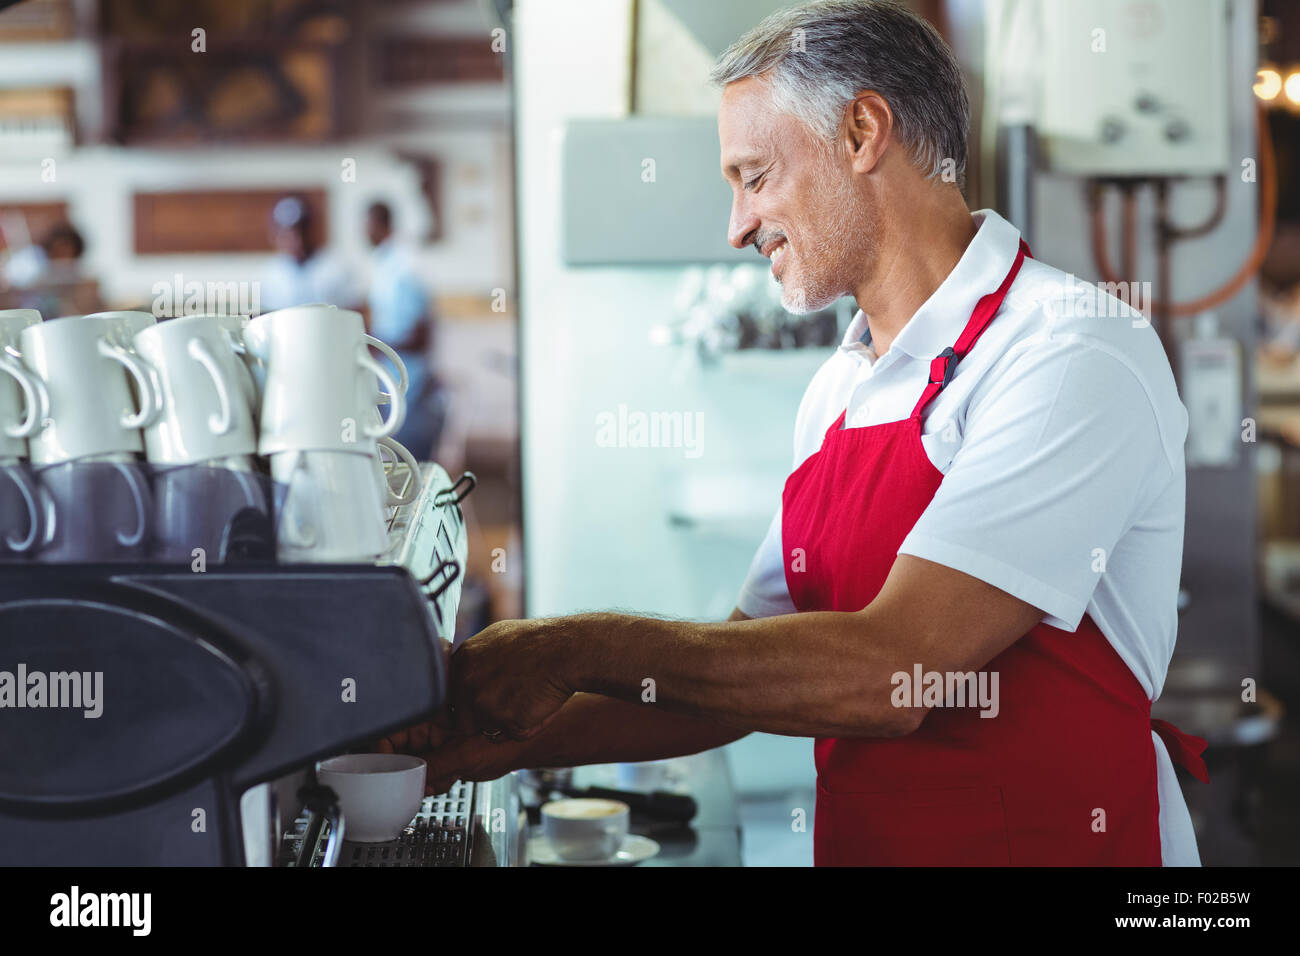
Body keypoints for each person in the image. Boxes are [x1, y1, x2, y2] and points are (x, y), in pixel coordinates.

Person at [381, 0, 1206, 866]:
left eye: (755, 175)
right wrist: (486, 742)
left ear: (861, 132)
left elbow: (894, 674)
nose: (736, 226)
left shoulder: (1069, 351)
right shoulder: (841, 388)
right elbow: (726, 684)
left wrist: (575, 646)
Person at [365, 201, 445, 459]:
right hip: (392, 385)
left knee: (412, 464)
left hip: (413, 387)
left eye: (368, 225)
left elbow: (422, 336)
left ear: (382, 224)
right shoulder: (383, 265)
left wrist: (375, 344)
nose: (364, 232)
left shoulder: (405, 267)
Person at [259, 195, 356, 312]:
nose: (296, 240)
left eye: (301, 231)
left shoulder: (336, 268)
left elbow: (353, 313)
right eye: (287, 234)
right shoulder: (271, 274)